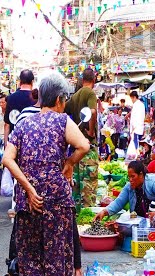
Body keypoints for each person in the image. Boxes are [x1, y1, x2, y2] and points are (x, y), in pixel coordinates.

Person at [3, 71, 90, 276]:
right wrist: (68, 164)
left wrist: (28, 188)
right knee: (56, 259)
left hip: (28, 203)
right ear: (61, 99)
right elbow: (84, 145)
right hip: (56, 200)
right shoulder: (62, 121)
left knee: (31, 257)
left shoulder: (24, 124)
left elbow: (7, 159)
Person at [94, 159, 155, 223]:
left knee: (154, 205)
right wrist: (104, 212)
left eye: (133, 176)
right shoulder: (129, 187)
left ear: (141, 175)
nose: (131, 180)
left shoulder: (153, 181)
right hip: (144, 221)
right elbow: (118, 202)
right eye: (129, 177)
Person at [65, 67, 100, 210]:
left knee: (77, 188)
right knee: (89, 187)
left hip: (76, 150)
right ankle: (88, 222)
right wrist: (91, 132)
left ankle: (78, 223)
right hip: (88, 147)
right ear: (94, 79)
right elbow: (92, 111)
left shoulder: (74, 96)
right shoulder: (90, 92)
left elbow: (64, 113)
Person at [128, 89, 146, 157]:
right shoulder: (142, 105)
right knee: (139, 143)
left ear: (134, 97)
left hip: (136, 128)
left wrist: (132, 128)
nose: (132, 100)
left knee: (136, 144)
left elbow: (134, 118)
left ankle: (137, 155)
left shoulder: (136, 105)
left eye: (132, 98)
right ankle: (138, 155)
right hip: (140, 126)